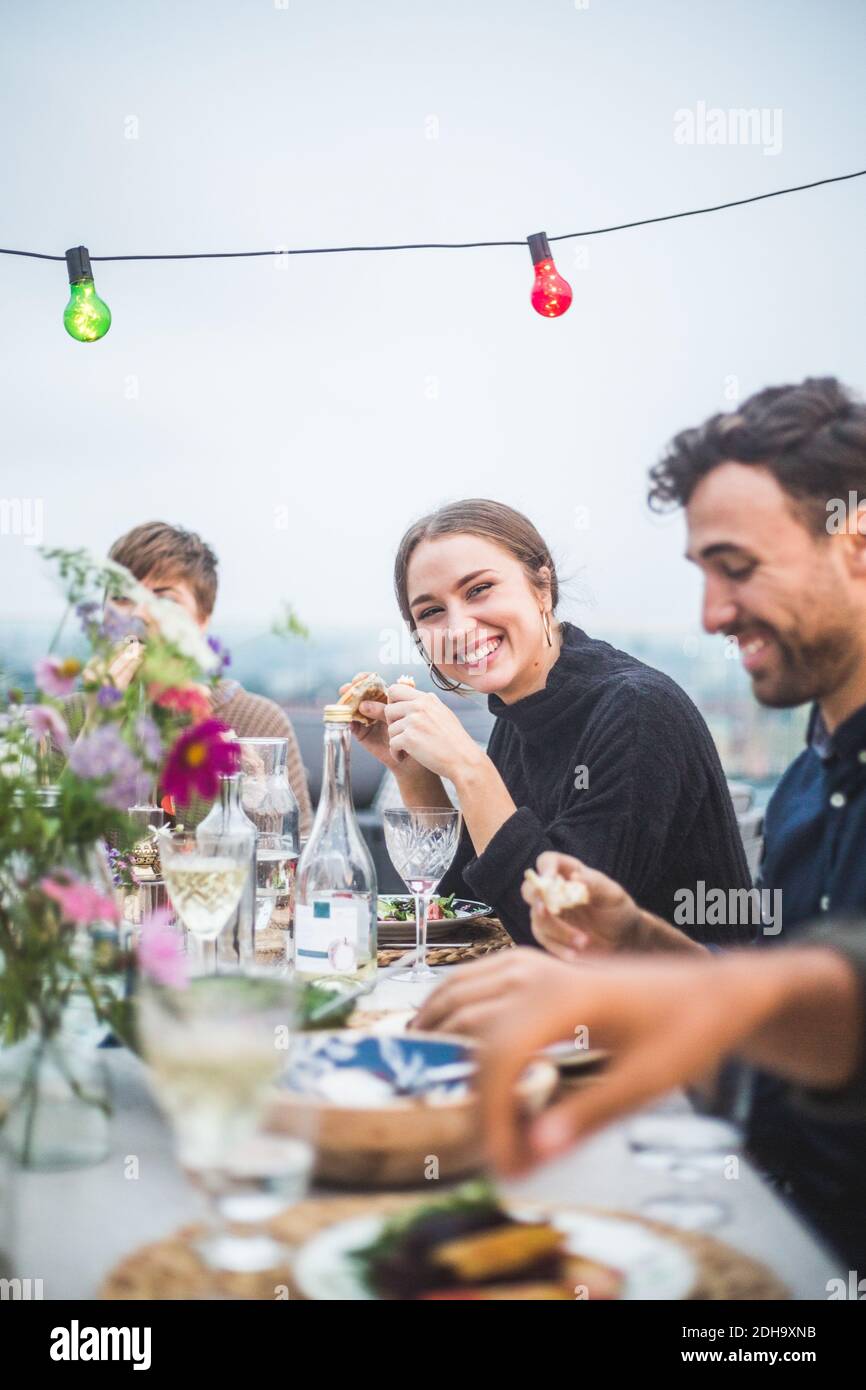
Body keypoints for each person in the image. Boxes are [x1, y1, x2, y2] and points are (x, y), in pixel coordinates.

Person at [420, 378, 866, 1266]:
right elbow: (775, 1031)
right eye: (703, 574)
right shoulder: (809, 782)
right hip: (757, 1207)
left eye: (736, 568)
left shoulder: (635, 710)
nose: (711, 615)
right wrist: (634, 939)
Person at [349, 498, 749, 947]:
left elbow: (568, 932)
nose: (458, 626)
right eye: (431, 612)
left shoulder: (636, 710)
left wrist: (469, 769)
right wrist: (413, 771)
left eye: (479, 589)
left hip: (684, 1009)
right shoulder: (520, 714)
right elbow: (467, 912)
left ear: (542, 584)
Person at [411, 912, 866, 1181]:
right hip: (756, 1174)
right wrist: (640, 939)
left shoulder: (639, 744)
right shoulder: (806, 776)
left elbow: (762, 989)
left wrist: (469, 769)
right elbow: (764, 983)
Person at [69, 521, 313, 834]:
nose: (139, 614)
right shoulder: (66, 719)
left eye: (164, 599)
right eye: (121, 596)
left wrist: (255, 790)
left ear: (202, 619)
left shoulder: (257, 721)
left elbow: (290, 858)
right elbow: (40, 859)